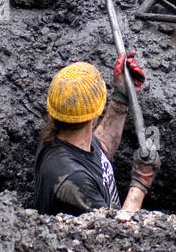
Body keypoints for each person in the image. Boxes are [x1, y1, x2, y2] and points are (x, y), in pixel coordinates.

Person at [35, 54, 158, 215]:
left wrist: (122, 97)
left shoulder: (65, 139)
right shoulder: (74, 181)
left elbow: (102, 149)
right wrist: (140, 184)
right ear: (95, 114)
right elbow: (116, 233)